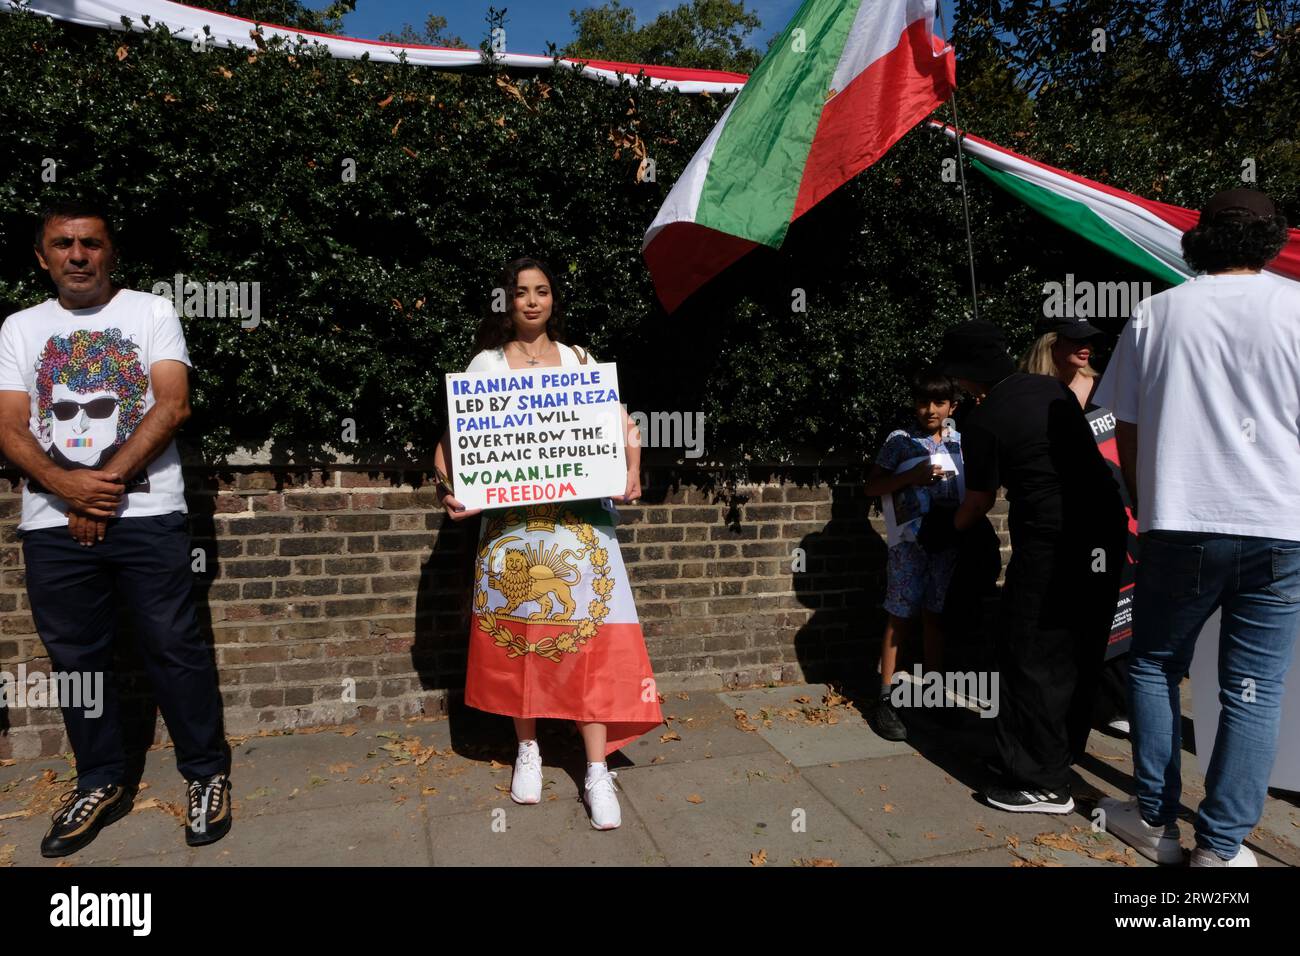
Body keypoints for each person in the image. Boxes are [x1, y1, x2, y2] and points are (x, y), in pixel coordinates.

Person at [0, 202, 231, 857]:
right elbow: (10, 424)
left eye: (91, 244)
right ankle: (99, 780)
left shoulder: (152, 313)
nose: (78, 255)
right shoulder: (19, 328)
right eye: (63, 244)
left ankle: (206, 774)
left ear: (111, 253)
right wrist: (67, 486)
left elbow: (173, 401)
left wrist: (92, 489)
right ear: (42, 257)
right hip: (51, 524)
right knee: (77, 662)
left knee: (173, 648)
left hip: (149, 517)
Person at [1094, 188, 1300, 867]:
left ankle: (1155, 819)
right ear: (1273, 240)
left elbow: (1123, 423)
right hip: (1279, 526)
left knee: (1154, 664)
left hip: (1180, 522)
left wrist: (1146, 504)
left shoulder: (1156, 314)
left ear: (1200, 238)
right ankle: (1221, 846)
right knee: (1253, 688)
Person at [433, 257, 663, 830]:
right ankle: (528, 750)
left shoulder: (581, 360)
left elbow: (620, 428)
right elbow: (450, 445)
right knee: (521, 638)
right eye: (520, 292)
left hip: (581, 531)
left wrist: (632, 470)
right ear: (507, 301)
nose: (531, 301)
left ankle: (595, 767)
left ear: (554, 298)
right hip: (512, 532)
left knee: (591, 645)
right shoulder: (484, 365)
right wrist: (447, 490)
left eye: (541, 291)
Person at [928, 321, 1126, 814]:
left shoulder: (982, 421)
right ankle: (1050, 759)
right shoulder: (1049, 389)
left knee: (1030, 652)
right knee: (1077, 651)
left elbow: (976, 504)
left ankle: (1041, 784)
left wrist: (941, 528)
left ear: (963, 375)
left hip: (1054, 543)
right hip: (1104, 533)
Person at [1022, 317, 1135, 737]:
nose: (1086, 348)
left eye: (1090, 342)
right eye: (1076, 341)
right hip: (1064, 521)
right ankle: (1082, 700)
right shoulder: (1034, 395)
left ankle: (1117, 701)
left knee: (1124, 603)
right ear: (1051, 344)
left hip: (1120, 516)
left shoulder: (1107, 388)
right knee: (1077, 614)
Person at [863, 368, 964, 741]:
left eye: (939, 402)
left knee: (935, 615)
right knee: (900, 615)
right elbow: (872, 486)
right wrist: (911, 478)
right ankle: (886, 697)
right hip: (908, 545)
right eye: (923, 402)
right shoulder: (900, 441)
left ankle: (934, 694)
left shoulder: (959, 442)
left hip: (945, 544)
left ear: (952, 405)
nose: (930, 410)